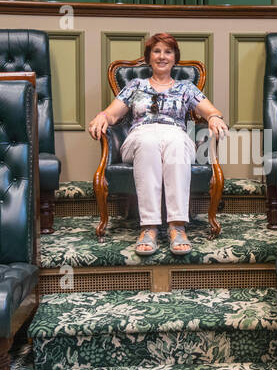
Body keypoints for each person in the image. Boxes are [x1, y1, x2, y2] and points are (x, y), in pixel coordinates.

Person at [88, 33, 227, 255]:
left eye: (168, 52)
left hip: (175, 134)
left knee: (176, 143)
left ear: (175, 58)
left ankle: (177, 226)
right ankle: (149, 227)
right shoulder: (135, 85)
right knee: (148, 142)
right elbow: (112, 114)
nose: (162, 56)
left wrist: (213, 117)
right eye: (157, 51)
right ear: (149, 57)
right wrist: (102, 117)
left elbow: (209, 110)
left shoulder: (186, 88)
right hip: (140, 136)